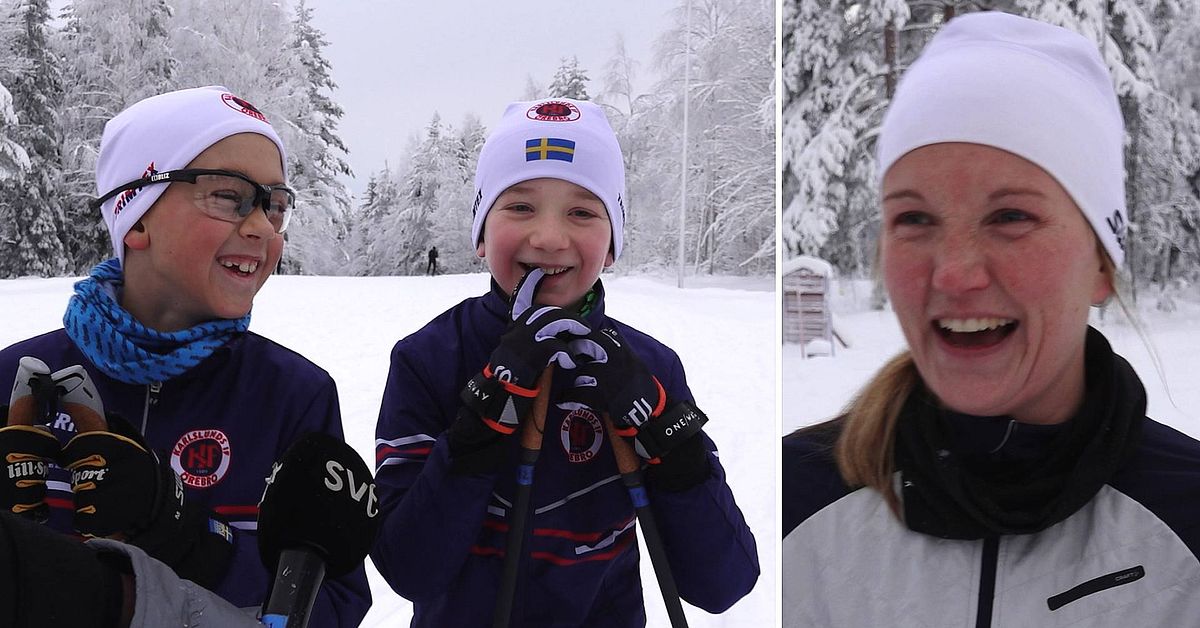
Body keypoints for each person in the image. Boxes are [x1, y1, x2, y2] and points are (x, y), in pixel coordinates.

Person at [782, 12, 1200, 626]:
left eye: (1010, 217)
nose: (953, 274)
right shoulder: (801, 497)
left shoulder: (1186, 520)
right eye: (914, 220)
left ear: (1102, 266)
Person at [371, 97, 759, 626]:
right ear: (482, 234)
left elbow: (724, 582)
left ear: (612, 244)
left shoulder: (651, 366)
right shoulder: (430, 358)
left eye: (581, 212)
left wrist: (669, 436)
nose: (550, 238)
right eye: (520, 207)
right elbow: (409, 570)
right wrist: (481, 420)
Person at [0, 86, 370, 625]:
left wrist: (193, 538)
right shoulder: (15, 381)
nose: (263, 226)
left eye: (276, 205)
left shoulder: (293, 394)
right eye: (229, 196)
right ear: (138, 216)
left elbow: (334, 605)